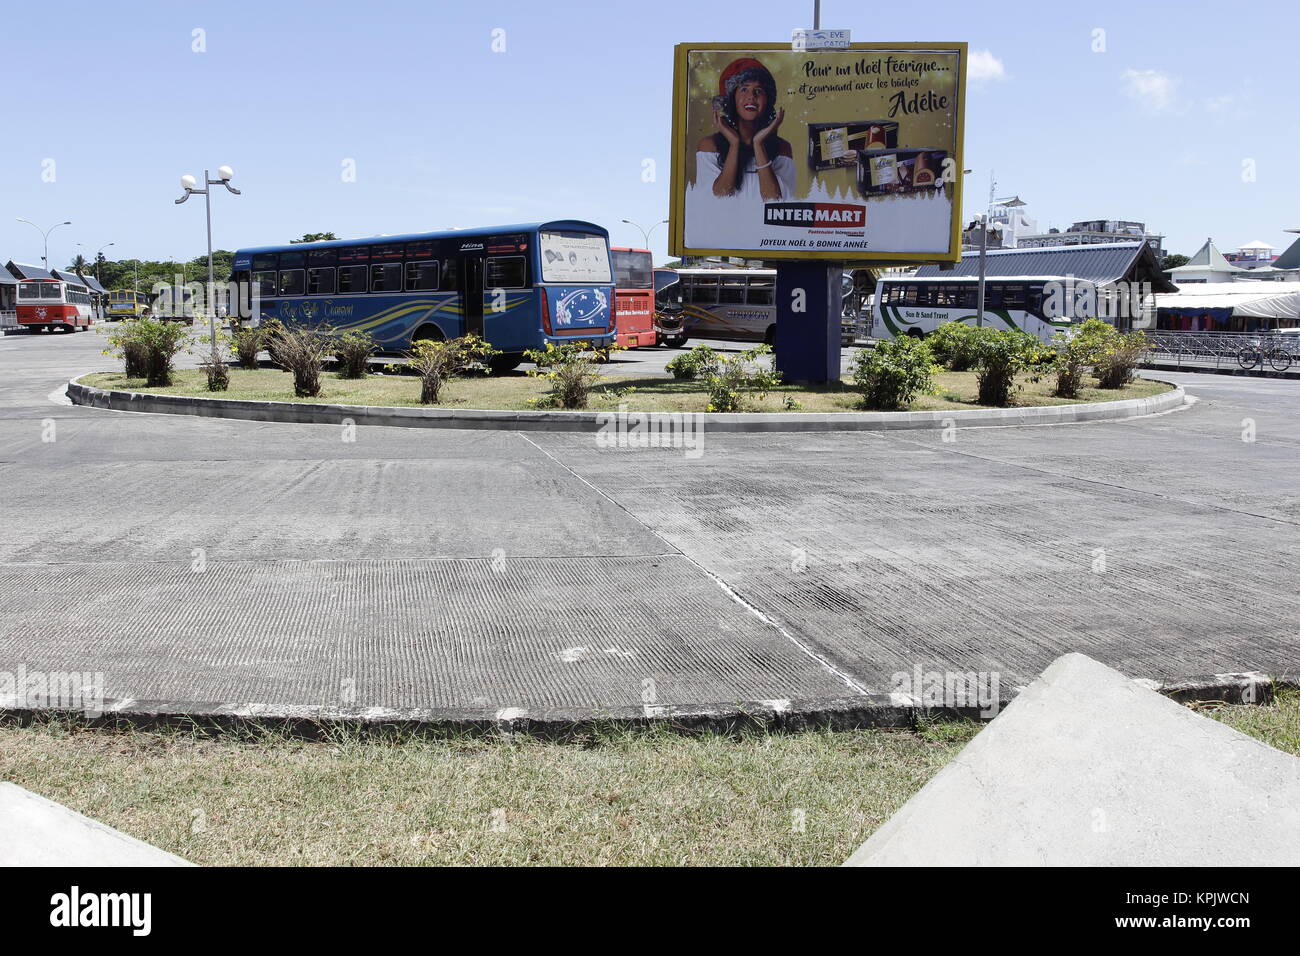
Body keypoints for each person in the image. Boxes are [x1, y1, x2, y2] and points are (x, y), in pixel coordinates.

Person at [695, 58, 795, 202]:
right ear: (731, 99)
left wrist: (758, 144)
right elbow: (717, 199)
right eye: (744, 89)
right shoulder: (709, 146)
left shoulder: (782, 148)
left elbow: (775, 201)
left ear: (767, 100)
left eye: (758, 91)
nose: (751, 97)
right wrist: (734, 144)